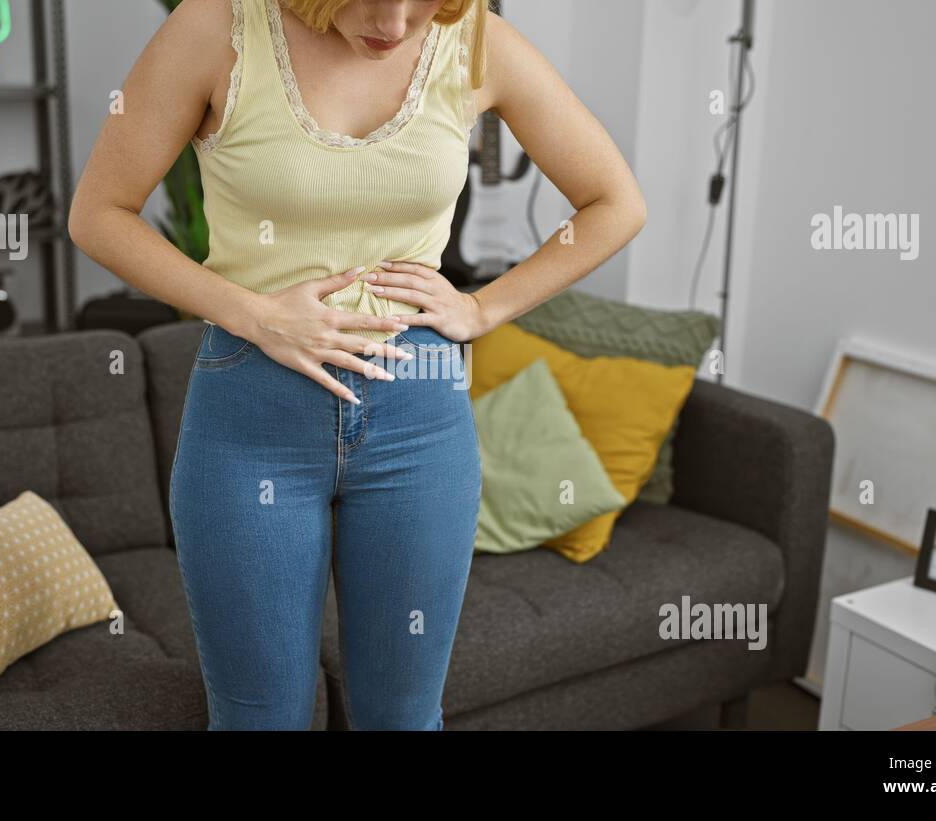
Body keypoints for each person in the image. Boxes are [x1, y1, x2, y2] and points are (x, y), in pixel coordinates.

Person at [68, 0, 647, 730]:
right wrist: (256, 314)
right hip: (252, 424)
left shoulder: (475, 43)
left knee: (402, 718)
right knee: (259, 721)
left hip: (420, 426)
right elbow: (99, 212)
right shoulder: (216, 29)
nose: (397, 23)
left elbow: (614, 202)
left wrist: (483, 308)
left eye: (423, 2)